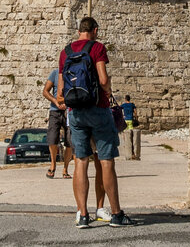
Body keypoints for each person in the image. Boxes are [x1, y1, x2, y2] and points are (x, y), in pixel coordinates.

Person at [58, 17, 132, 228]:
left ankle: (82, 215)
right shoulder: (97, 48)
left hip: (76, 113)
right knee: (106, 160)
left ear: (79, 30)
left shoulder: (66, 52)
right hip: (98, 110)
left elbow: (62, 88)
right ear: (95, 30)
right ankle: (116, 214)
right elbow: (102, 80)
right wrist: (108, 90)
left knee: (80, 161)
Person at [42, 68, 73, 179]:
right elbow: (45, 91)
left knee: (69, 141)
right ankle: (53, 164)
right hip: (55, 110)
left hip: (70, 111)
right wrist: (56, 101)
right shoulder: (55, 73)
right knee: (52, 138)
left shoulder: (74, 72)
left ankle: (65, 169)